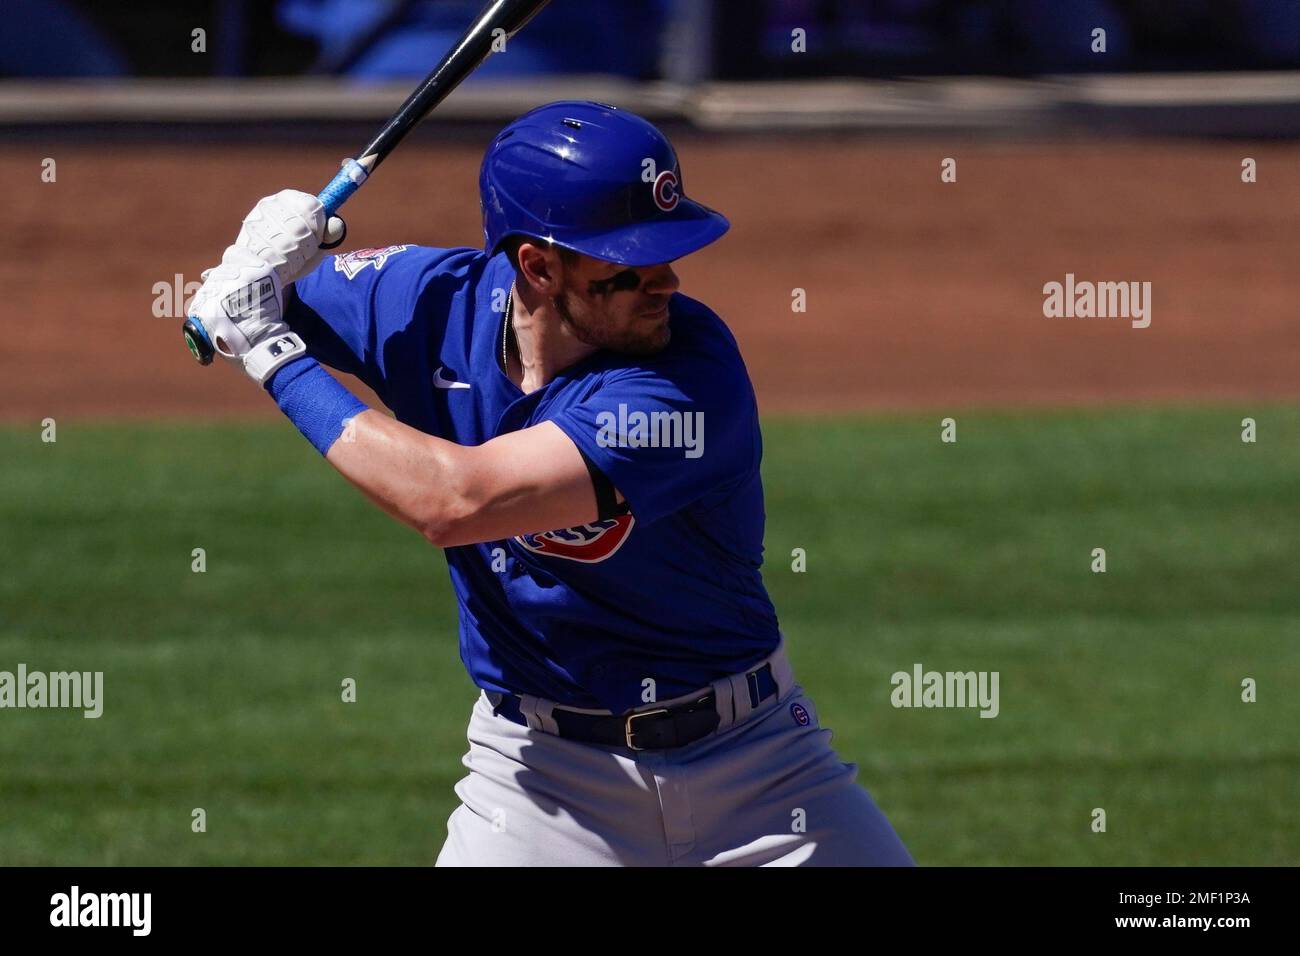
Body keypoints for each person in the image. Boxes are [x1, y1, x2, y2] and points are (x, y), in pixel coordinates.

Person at [186, 100, 914, 866]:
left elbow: (453, 501)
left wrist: (271, 354)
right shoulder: (426, 302)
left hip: (759, 778)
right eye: (629, 263)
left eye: (672, 251)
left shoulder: (685, 378)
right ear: (538, 265)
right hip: (537, 786)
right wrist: (260, 260)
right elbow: (248, 300)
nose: (666, 281)